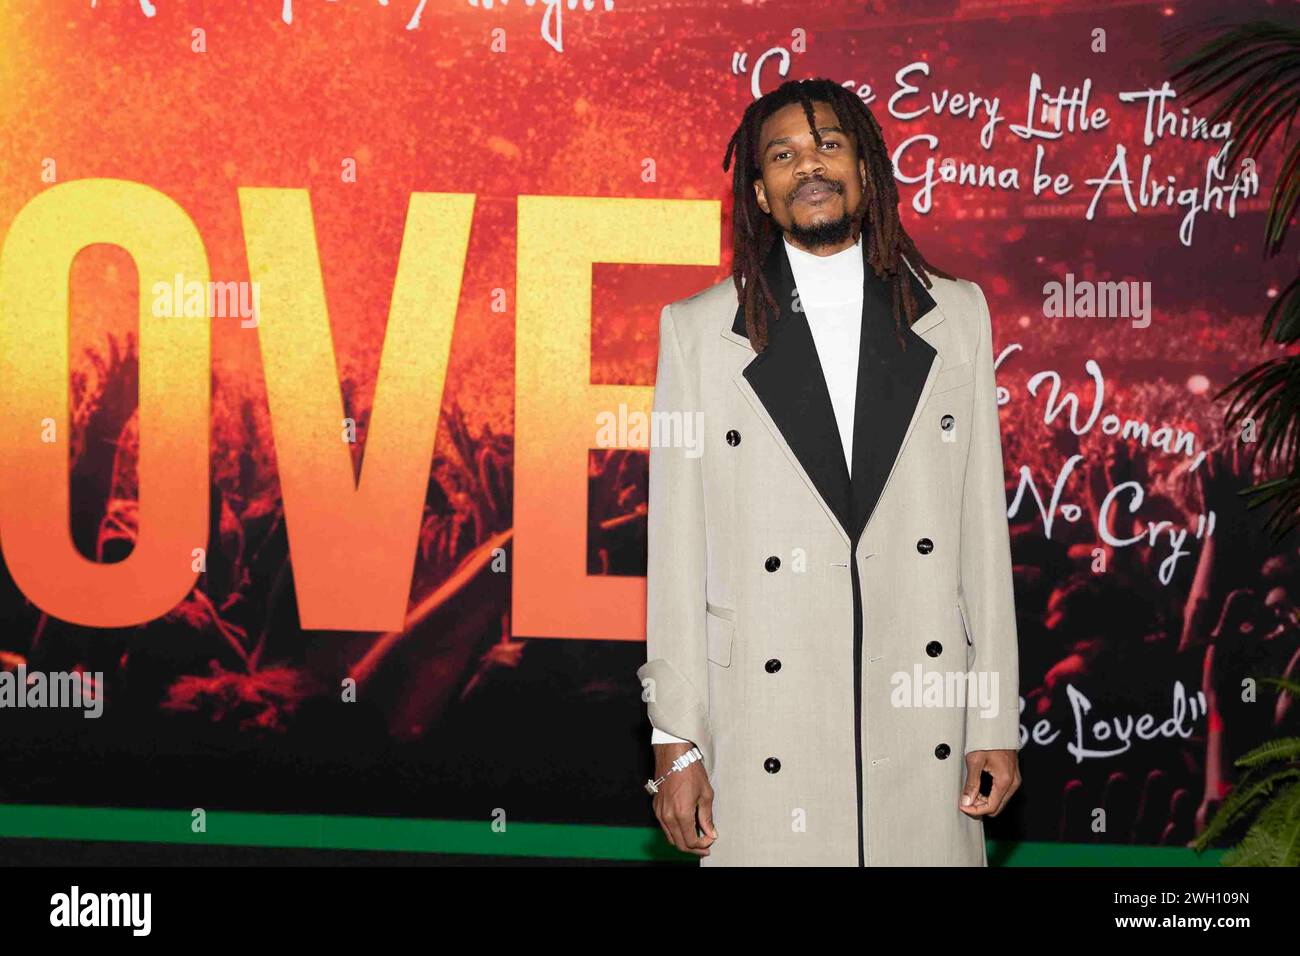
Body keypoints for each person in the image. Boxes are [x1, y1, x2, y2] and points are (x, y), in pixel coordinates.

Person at [637, 78, 1021, 866]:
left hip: (925, 723)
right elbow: (675, 556)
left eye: (828, 146)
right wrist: (674, 742)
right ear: (760, 192)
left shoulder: (958, 315)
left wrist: (992, 720)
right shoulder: (698, 332)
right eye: (782, 156)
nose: (807, 167)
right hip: (763, 724)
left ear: (868, 170)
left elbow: (983, 538)